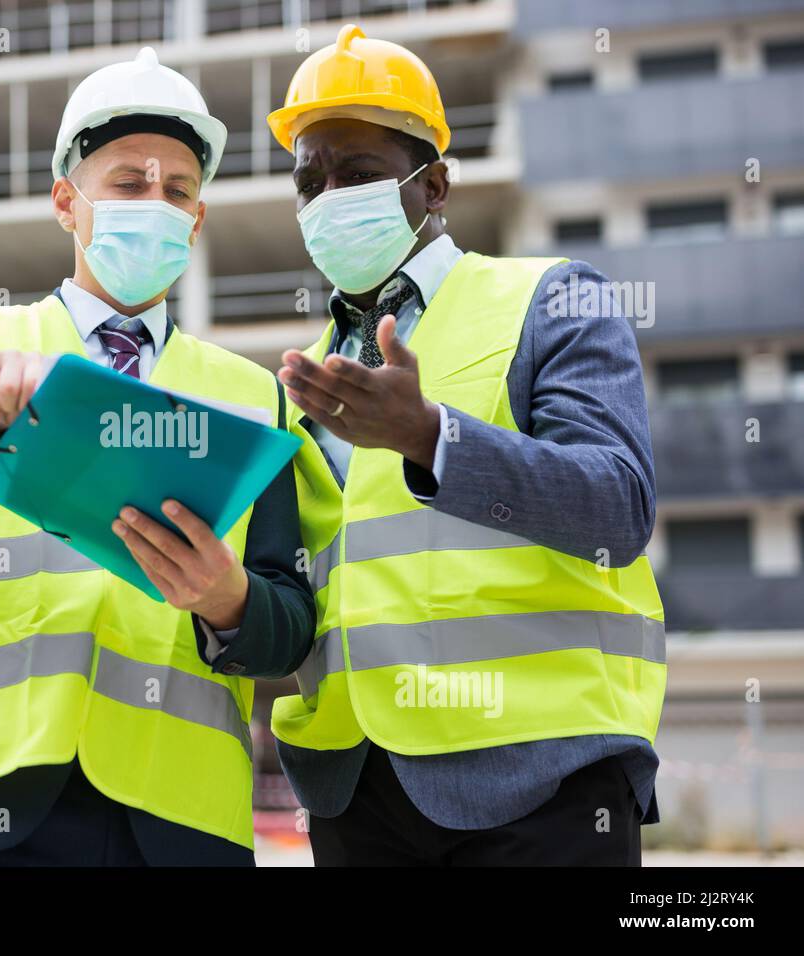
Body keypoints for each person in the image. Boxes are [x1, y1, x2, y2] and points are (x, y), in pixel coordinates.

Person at [0, 47, 325, 866]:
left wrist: (230, 602)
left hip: (177, 821)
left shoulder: (251, 396)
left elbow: (291, 628)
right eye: (128, 183)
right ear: (66, 202)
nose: (155, 203)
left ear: (196, 220)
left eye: (177, 190)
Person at [267, 25, 666, 866]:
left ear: (436, 184)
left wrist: (428, 437)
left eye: (359, 174)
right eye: (311, 182)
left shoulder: (553, 300)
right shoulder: (301, 380)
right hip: (353, 793)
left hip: (543, 787)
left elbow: (618, 506)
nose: (329, 197)